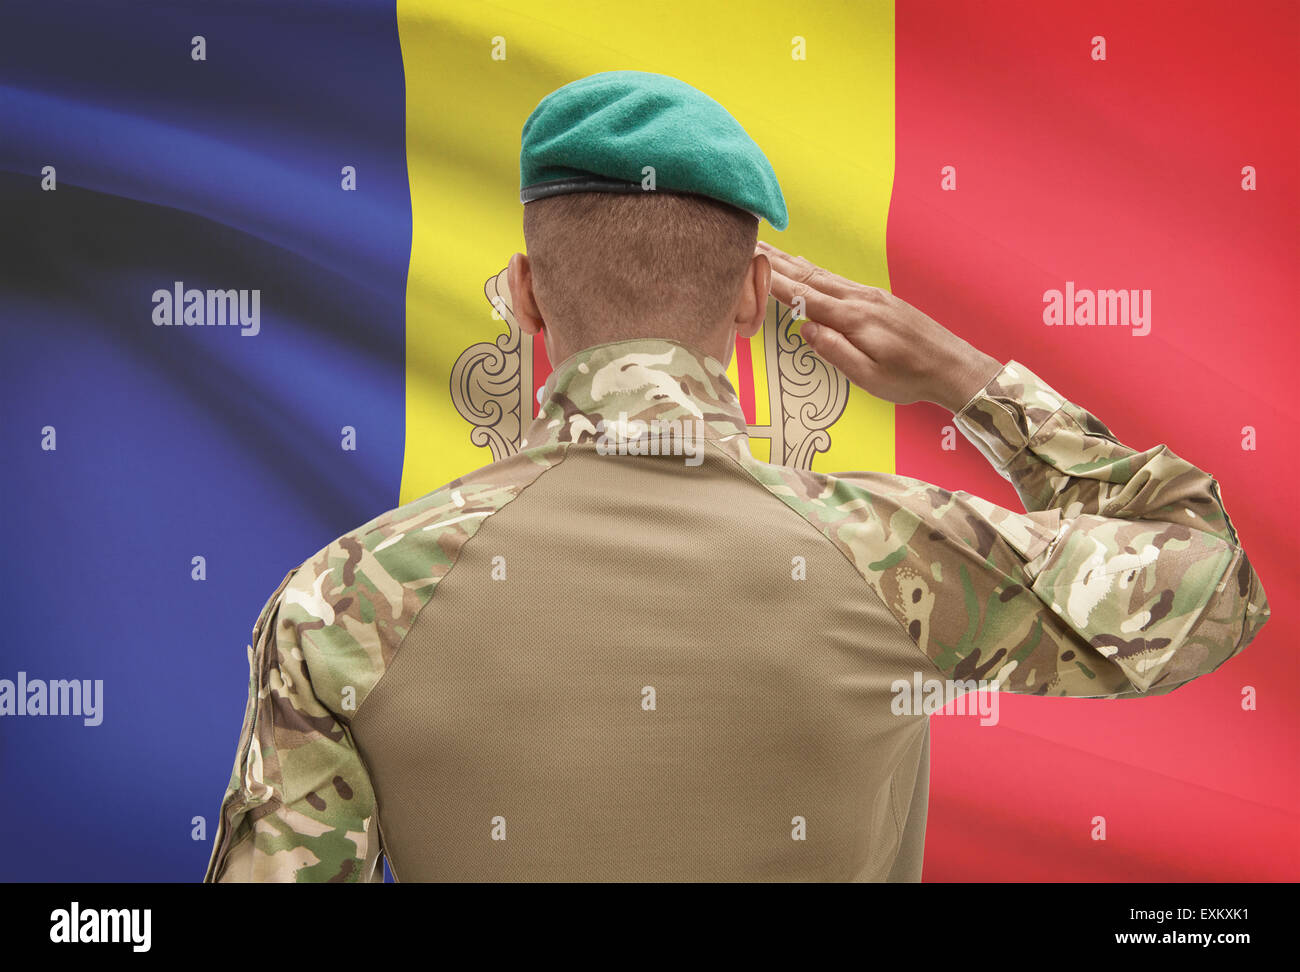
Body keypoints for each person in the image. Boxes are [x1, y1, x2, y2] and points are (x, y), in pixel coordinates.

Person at [203, 70, 1269, 882]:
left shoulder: (341, 599)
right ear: (757, 296)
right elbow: (1212, 582)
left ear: (524, 296)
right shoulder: (895, 554)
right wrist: (967, 377)